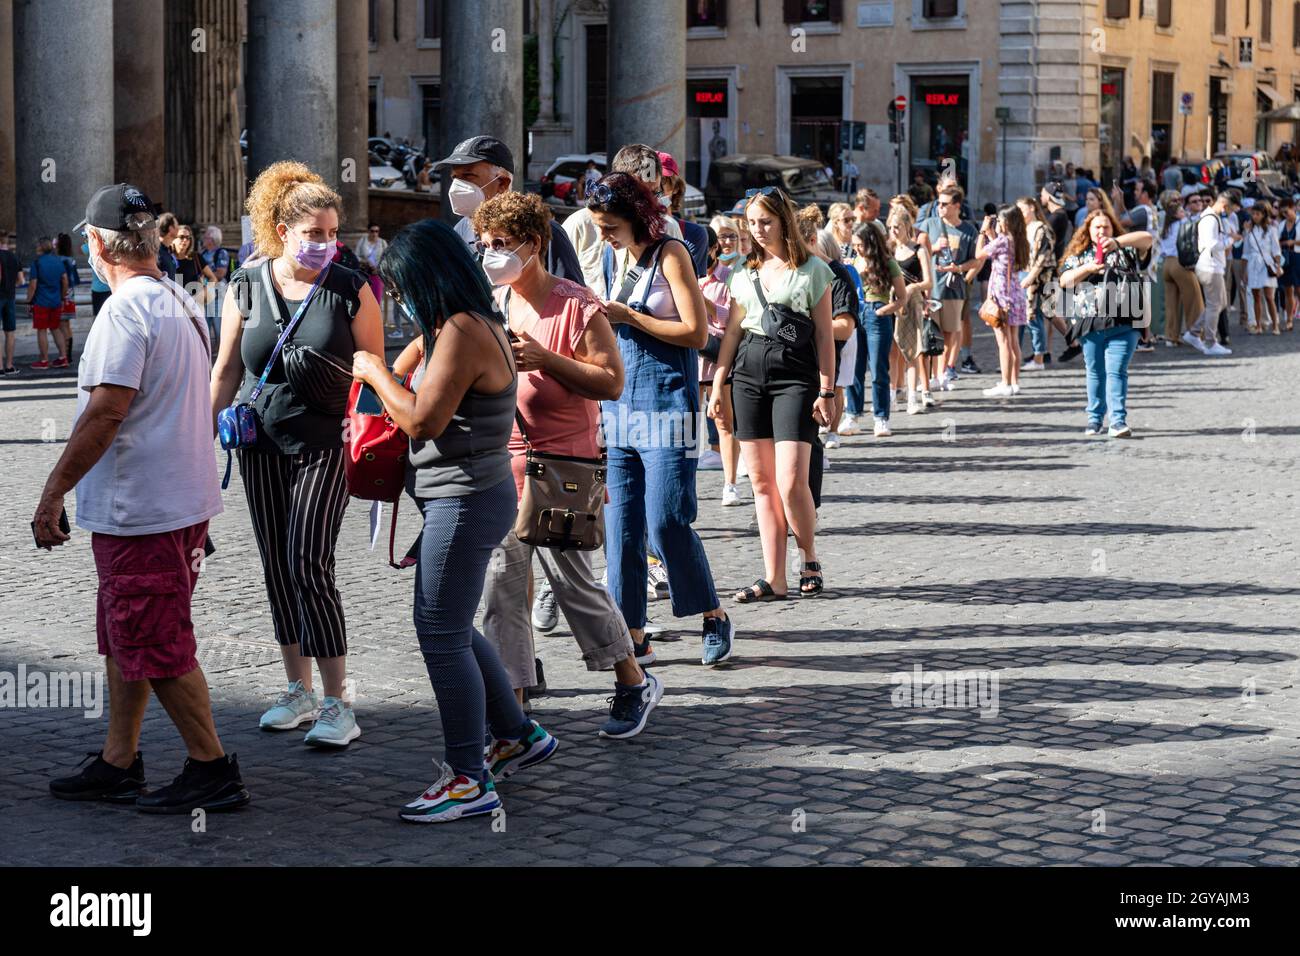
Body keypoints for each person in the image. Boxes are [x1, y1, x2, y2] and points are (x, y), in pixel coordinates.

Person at [37, 182, 247, 813]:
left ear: (99, 244)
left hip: (144, 511)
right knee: (127, 633)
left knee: (155, 640)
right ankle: (118, 759)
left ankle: (212, 768)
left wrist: (53, 491)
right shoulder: (177, 299)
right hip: (175, 504)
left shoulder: (124, 311)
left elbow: (106, 412)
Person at [352, 219, 556, 822]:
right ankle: (517, 734)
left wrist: (375, 373)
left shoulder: (464, 330)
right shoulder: (465, 323)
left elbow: (421, 420)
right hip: (464, 496)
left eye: (404, 288)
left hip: (464, 501)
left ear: (428, 280)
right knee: (450, 625)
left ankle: (468, 779)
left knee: (440, 635)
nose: (400, 300)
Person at [470, 190, 664, 739]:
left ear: (534, 245)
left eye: (501, 244)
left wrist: (546, 359)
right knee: (502, 585)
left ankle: (632, 680)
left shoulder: (576, 303)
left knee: (572, 583)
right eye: (486, 245)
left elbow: (611, 380)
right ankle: (512, 710)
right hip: (503, 460)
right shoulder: (496, 300)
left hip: (562, 463)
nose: (491, 254)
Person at [211, 161, 384, 746]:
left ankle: (340, 702)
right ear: (281, 230)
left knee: (309, 561)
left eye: (332, 233)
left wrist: (368, 424)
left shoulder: (351, 288)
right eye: (313, 234)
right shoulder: (245, 285)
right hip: (260, 444)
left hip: (325, 446)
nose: (325, 244)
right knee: (277, 567)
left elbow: (374, 372)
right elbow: (227, 368)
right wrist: (198, 433)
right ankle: (298, 690)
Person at [586, 172, 735, 664]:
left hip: (669, 403)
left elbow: (695, 333)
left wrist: (631, 318)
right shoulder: (611, 255)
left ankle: (712, 613)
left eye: (609, 226)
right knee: (622, 525)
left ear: (635, 218)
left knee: (667, 519)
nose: (603, 235)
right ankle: (632, 631)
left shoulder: (672, 253)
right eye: (600, 227)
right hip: (620, 405)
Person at [709, 186, 835, 603]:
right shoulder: (743, 274)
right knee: (762, 481)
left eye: (766, 222)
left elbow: (823, 335)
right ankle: (774, 577)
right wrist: (718, 384)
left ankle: (810, 556)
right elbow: (732, 332)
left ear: (784, 221)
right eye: (752, 224)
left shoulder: (813, 269)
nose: (759, 231)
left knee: (791, 478)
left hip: (796, 375)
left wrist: (828, 389)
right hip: (748, 372)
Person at [434, 135, 584, 284]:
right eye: (455, 178)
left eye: (468, 175)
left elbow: (571, 296)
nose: (458, 185)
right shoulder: (460, 232)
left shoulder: (542, 230)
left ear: (502, 183)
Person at [1058, 204, 1154, 437]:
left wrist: (1118, 242)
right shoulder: (1079, 256)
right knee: (1094, 371)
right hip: (1089, 321)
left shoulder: (1127, 251)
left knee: (1117, 370)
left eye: (1106, 226)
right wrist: (1088, 268)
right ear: (1088, 230)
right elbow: (1064, 281)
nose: (1101, 231)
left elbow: (1148, 238)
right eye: (1097, 227)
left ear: (1113, 228)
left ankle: (1118, 421)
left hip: (1124, 320)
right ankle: (1094, 419)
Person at [564, 144, 684, 291]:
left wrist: (630, 315)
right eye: (640, 195)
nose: (648, 204)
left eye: (654, 193)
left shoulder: (667, 227)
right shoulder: (579, 224)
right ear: (614, 183)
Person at [850, 219, 906, 432]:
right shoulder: (856, 261)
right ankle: (852, 415)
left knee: (878, 369)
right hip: (857, 312)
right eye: (854, 245)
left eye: (860, 245)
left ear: (870, 242)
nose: (857, 249)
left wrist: (884, 310)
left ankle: (881, 417)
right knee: (855, 368)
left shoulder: (887, 262)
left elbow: (901, 297)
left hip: (876, 312)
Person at [700, 219, 742, 503]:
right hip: (690, 359)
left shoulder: (729, 277)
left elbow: (728, 319)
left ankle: (730, 483)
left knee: (725, 421)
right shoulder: (681, 274)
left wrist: (700, 301)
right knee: (688, 424)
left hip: (717, 358)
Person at [921, 184, 979, 389]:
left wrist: (960, 268)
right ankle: (930, 376)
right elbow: (915, 249)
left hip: (954, 289)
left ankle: (945, 371)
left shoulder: (969, 230)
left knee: (951, 332)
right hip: (931, 288)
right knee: (930, 332)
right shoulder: (929, 224)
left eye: (945, 204)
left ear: (957, 206)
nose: (940, 207)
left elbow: (976, 260)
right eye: (938, 203)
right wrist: (934, 248)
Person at [970, 205, 1030, 397]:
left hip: (1002, 297)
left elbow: (979, 254)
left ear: (1006, 222)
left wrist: (982, 231)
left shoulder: (1003, 241)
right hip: (1016, 295)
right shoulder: (1019, 241)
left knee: (1003, 343)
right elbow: (998, 250)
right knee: (1013, 342)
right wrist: (991, 233)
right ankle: (1014, 382)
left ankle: (1005, 383)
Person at [1184, 188, 1241, 356]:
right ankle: (1210, 341)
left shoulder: (1212, 217)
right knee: (1215, 305)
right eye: (1230, 209)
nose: (1229, 213)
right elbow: (1212, 244)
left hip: (1213, 266)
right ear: (1224, 205)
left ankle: (1194, 333)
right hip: (1210, 267)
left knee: (1220, 303)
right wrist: (1230, 240)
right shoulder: (1210, 219)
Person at [1016, 196, 1060, 372]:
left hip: (1037, 278)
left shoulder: (1042, 229)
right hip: (1022, 273)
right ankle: (1016, 356)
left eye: (1022, 209)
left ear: (1032, 208)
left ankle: (1039, 357)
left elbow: (1043, 256)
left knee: (1033, 316)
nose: (1020, 213)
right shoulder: (1022, 229)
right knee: (1019, 318)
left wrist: (1030, 276)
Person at [660, 151, 709, 278]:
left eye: (662, 180)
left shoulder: (694, 234)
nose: (656, 187)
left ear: (675, 187)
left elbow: (689, 284)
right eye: (651, 180)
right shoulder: (628, 230)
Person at [25, 236, 69, 369]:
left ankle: (44, 360)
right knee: (56, 329)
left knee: (42, 330)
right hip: (55, 301)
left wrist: (28, 301)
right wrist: (61, 297)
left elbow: (33, 285)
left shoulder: (37, 263)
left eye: (38, 245)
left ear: (41, 247)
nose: (36, 247)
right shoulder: (58, 261)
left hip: (41, 302)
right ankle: (63, 357)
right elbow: (65, 280)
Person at [172, 225, 219, 339]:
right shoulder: (167, 258)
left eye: (188, 238)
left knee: (196, 338)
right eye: (181, 237)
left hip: (195, 305)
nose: (185, 240)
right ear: (173, 237)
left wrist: (205, 291)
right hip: (173, 307)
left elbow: (213, 278)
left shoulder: (195, 257)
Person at [1243, 202, 1283, 335]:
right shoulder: (1249, 230)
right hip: (1253, 264)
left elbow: (1276, 250)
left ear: (1264, 214)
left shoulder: (1272, 230)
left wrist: (1278, 266)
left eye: (1257, 214)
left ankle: (1275, 325)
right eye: (1253, 214)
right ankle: (1258, 325)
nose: (1254, 216)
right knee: (1256, 296)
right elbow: (1246, 252)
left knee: (1269, 296)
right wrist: (1245, 271)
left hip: (1267, 263)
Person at [0, 232, 24, 375]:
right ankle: (9, 365)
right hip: (10, 297)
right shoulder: (14, 257)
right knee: (10, 333)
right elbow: (21, 281)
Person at [56, 233, 80, 360]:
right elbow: (76, 279)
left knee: (62, 325)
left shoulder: (60, 260)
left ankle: (65, 354)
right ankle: (68, 353)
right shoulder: (72, 260)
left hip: (62, 294)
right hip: (71, 295)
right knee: (67, 325)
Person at [1278, 198, 1300, 331]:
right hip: (1285, 259)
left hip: (1297, 257)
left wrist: (1294, 243)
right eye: (1283, 213)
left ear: (1293, 208)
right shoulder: (1281, 224)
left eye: (1287, 212)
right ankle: (1289, 319)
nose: (1285, 215)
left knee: (1298, 289)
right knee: (1287, 290)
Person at [1040, 182, 1074, 262]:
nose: (1040, 198)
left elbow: (1044, 239)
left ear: (1048, 197)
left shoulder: (1057, 216)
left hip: (1053, 261)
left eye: (1042, 195)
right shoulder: (1060, 213)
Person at [156, 212, 180, 280]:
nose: (178, 228)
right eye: (177, 225)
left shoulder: (168, 250)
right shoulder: (155, 252)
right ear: (170, 228)